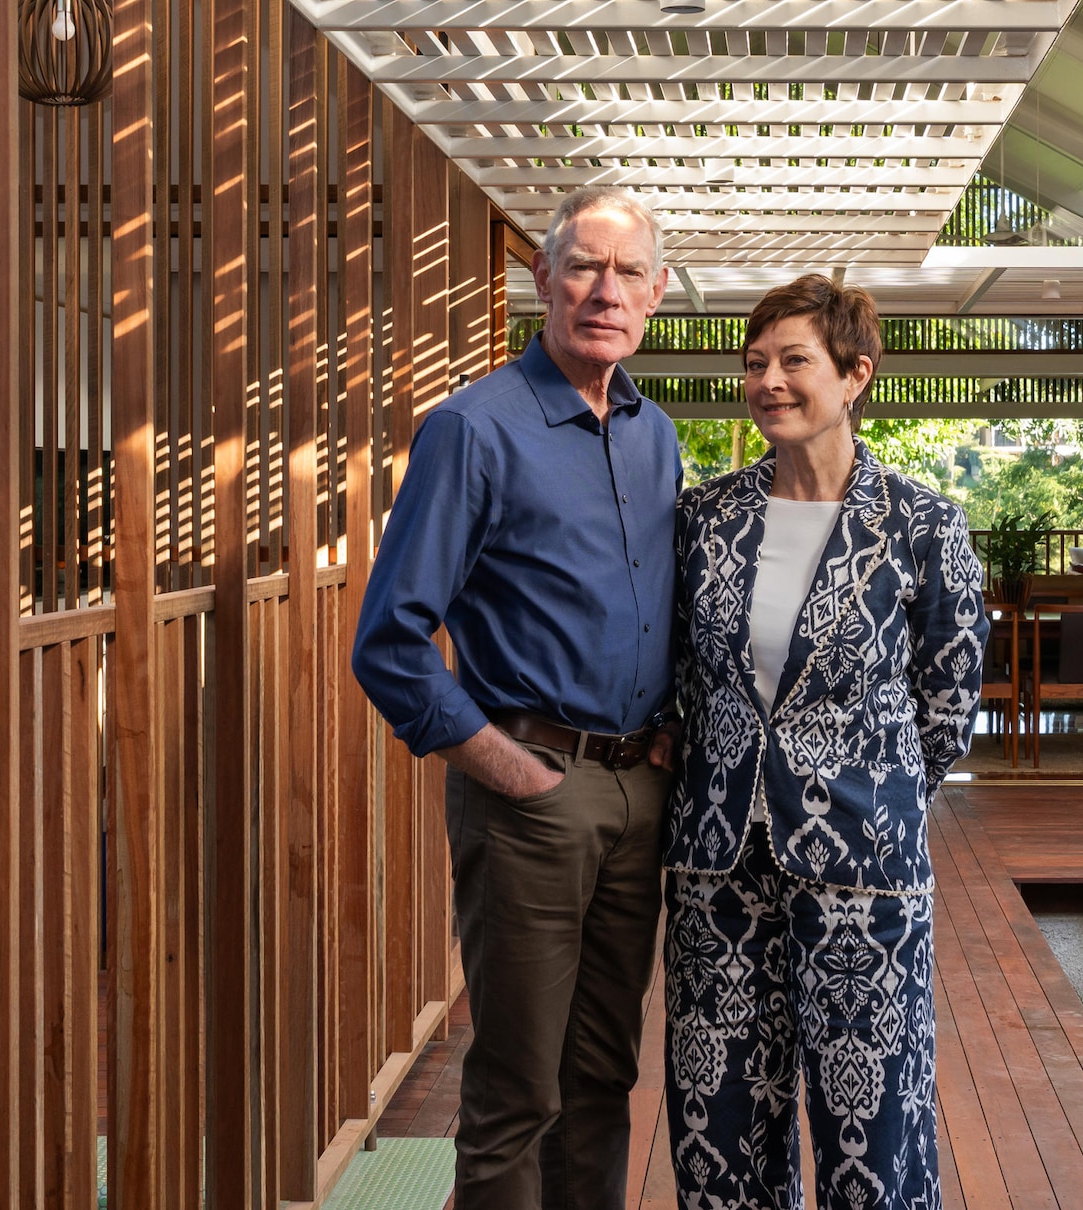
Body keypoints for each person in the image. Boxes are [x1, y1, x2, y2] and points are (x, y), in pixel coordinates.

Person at [350, 185, 680, 1208]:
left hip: (638, 794)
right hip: (534, 792)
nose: (603, 289)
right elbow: (389, 640)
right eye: (584, 264)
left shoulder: (652, 434)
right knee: (514, 1088)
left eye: (628, 271)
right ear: (541, 277)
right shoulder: (472, 430)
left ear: (657, 293)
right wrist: (504, 766)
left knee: (602, 1078)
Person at [664, 274, 987, 1210]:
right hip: (717, 864)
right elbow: (684, 671)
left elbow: (949, 694)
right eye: (755, 362)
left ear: (855, 376)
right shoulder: (704, 518)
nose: (769, 380)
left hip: (864, 869)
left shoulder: (923, 525)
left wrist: (874, 792)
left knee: (872, 1125)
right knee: (717, 1121)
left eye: (793, 360)